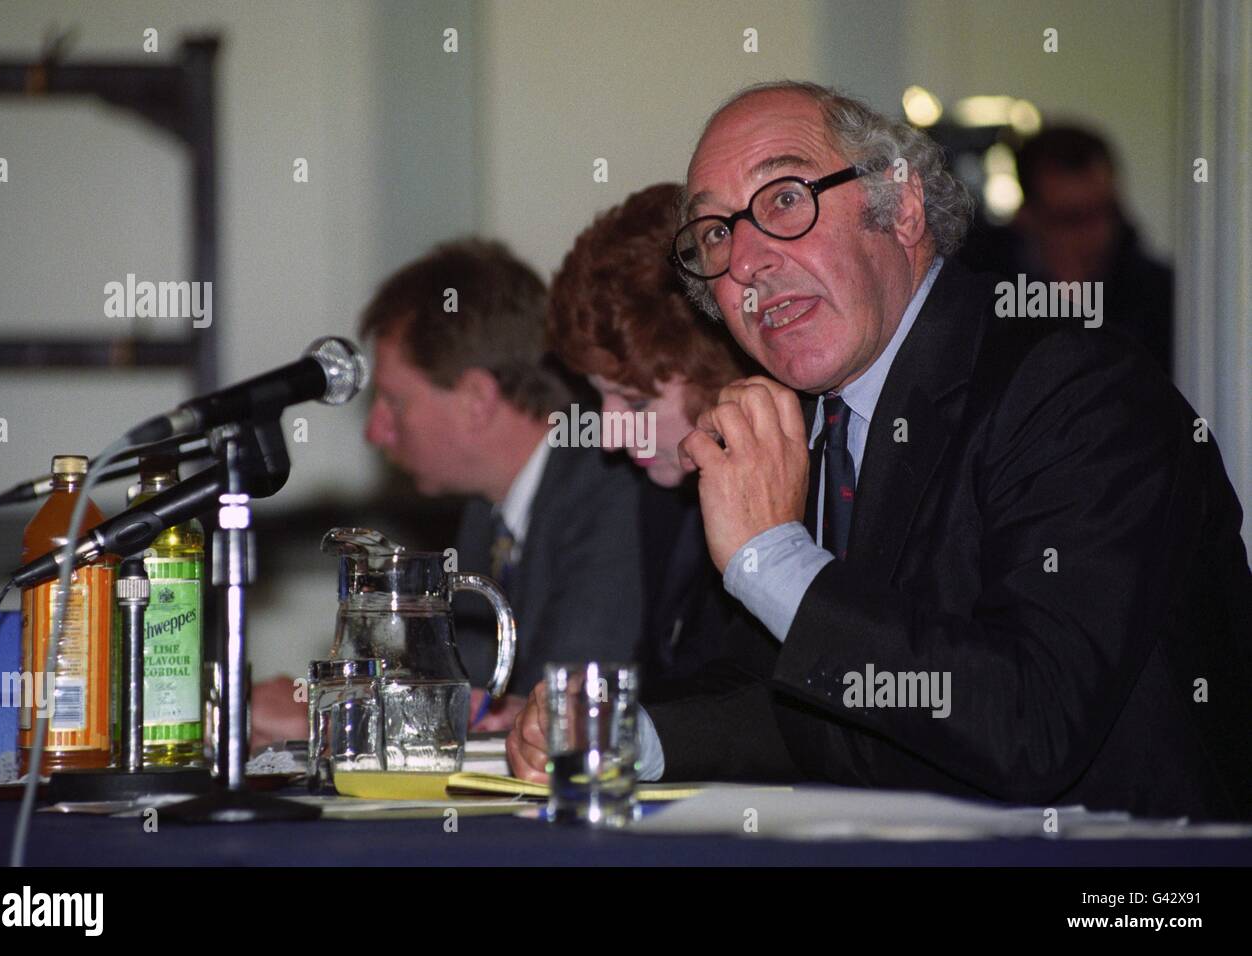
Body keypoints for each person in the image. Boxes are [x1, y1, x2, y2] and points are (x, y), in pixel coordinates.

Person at [508, 81, 1252, 821]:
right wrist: (630, 733)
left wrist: (775, 559)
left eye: (786, 201)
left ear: (901, 209)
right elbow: (820, 702)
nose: (746, 263)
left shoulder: (1075, 390)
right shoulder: (813, 419)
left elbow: (1031, 723)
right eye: (715, 233)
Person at [250, 239, 647, 745]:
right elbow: (465, 688)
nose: (376, 431)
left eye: (394, 401)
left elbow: (556, 711)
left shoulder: (607, 490)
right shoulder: (487, 511)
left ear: (478, 399)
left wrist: (333, 718)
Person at [547, 182, 773, 699]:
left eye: (637, 403)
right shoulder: (662, 494)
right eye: (599, 399)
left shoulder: (800, 496)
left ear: (721, 371)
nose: (609, 435)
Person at [960, 124, 1174, 374]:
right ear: (1026, 217)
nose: (1098, 233)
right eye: (1072, 219)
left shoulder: (1160, 296)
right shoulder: (978, 288)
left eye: (1106, 210)